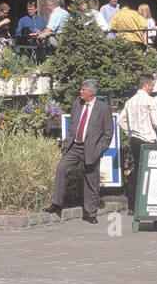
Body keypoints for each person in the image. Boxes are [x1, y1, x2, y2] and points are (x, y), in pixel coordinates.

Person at [45, 79, 114, 224]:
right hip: (74, 146)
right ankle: (57, 204)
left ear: (91, 92)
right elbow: (72, 126)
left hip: (91, 149)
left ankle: (90, 213)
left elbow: (108, 134)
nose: (80, 92)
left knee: (91, 180)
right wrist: (67, 143)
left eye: (83, 90)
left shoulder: (103, 108)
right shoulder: (77, 104)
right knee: (62, 168)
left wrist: (99, 149)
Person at [117, 73, 157, 208]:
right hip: (147, 139)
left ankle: (132, 205)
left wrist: (130, 132)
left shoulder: (130, 101)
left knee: (137, 171)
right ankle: (147, 204)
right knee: (149, 172)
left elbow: (120, 120)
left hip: (135, 140)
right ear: (146, 85)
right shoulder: (149, 100)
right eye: (152, 85)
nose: (153, 88)